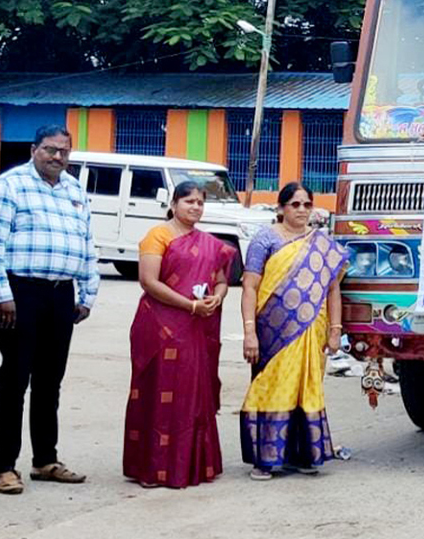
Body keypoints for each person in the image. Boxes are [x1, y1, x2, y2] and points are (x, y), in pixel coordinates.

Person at [0, 124, 97, 495]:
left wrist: (87, 293)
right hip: (20, 293)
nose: (57, 157)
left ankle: (45, 460)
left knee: (50, 381)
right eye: (50, 149)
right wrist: (2, 295)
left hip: (61, 295)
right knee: (14, 380)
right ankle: (3, 467)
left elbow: (86, 243)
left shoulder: (74, 189)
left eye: (64, 151)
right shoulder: (9, 186)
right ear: (34, 149)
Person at [123, 181, 234, 489]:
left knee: (193, 395)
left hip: (197, 329)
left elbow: (222, 280)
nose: (195, 207)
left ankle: (192, 466)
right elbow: (149, 281)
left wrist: (217, 297)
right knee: (158, 394)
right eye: (189, 201)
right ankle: (153, 468)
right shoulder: (157, 236)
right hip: (160, 327)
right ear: (173, 204)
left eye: (200, 202)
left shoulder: (209, 243)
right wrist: (190, 305)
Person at [239, 182, 346, 480]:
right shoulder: (264, 240)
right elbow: (250, 287)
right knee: (271, 388)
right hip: (274, 330)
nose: (301, 210)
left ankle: (303, 455)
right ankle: (266, 459)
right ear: (281, 208)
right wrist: (249, 332)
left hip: (312, 329)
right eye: (295, 204)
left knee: (306, 387)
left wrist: (335, 330)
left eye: (306, 204)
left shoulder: (321, 243)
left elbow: (333, 290)